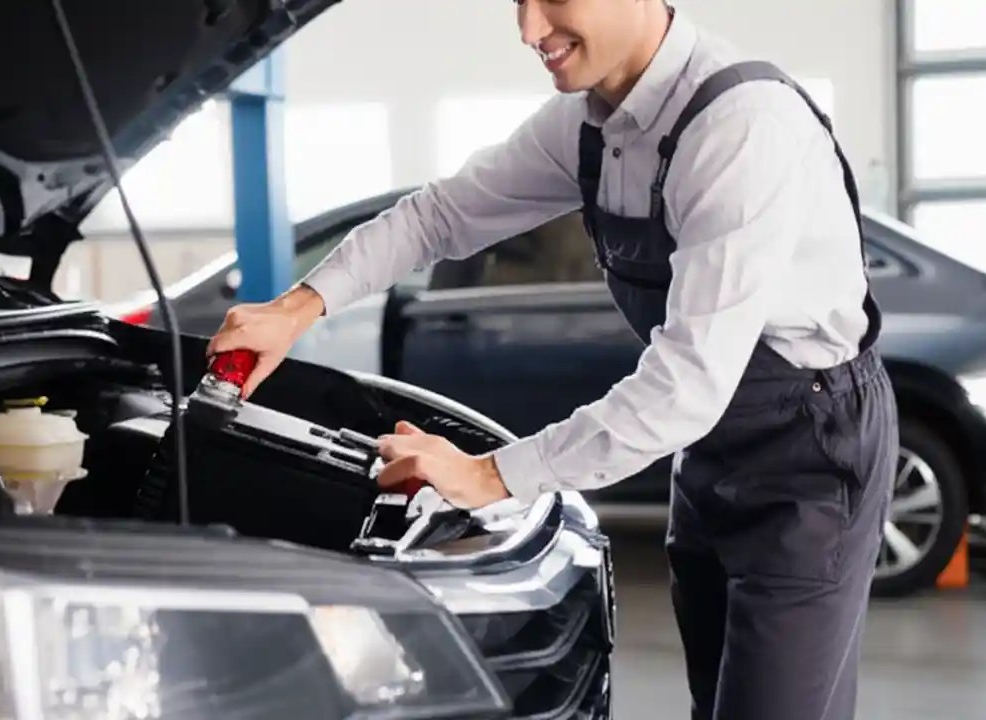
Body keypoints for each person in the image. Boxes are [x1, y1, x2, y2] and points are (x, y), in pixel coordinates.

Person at [207, 1, 897, 718]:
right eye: (520, 2)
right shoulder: (590, 126)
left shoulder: (740, 128)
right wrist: (297, 307)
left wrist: (490, 476)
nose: (530, 31)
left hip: (810, 451)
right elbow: (440, 216)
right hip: (711, 445)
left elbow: (686, 384)